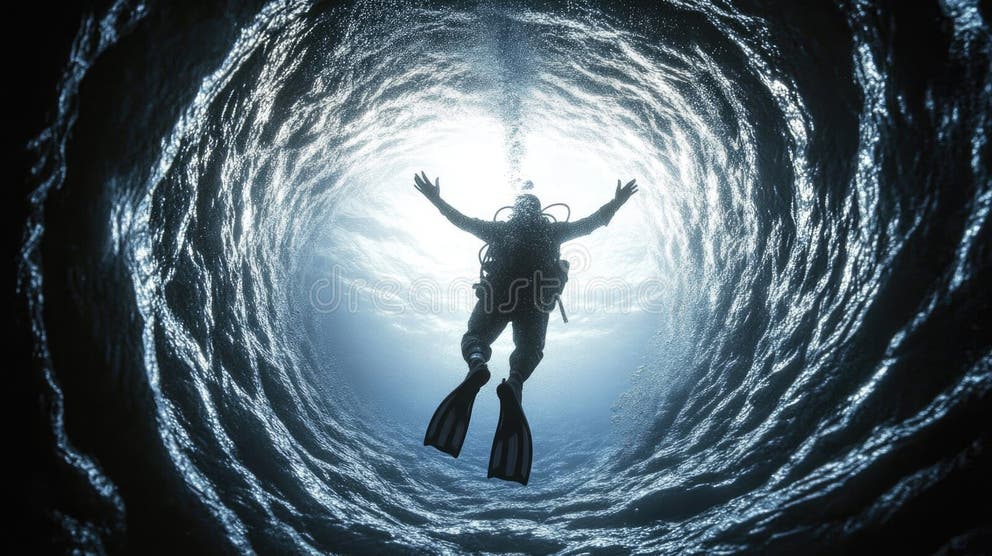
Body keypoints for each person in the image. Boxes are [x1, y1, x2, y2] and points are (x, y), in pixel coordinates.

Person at [418, 171, 638, 484]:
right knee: (530, 350)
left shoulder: (499, 229)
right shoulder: (553, 232)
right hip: (537, 299)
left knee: (475, 337)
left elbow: (462, 221)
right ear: (540, 212)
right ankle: (516, 383)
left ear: (516, 210)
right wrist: (617, 202)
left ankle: (477, 364)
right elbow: (592, 223)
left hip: (498, 293)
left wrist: (435, 198)